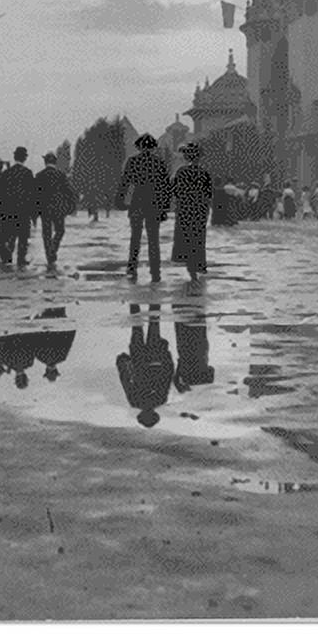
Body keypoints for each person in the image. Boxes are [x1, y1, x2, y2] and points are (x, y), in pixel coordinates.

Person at [114, 133, 171, 283]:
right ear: (153, 147)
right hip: (154, 205)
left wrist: (121, 202)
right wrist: (165, 208)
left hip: (137, 203)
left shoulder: (133, 161)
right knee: (154, 239)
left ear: (139, 147)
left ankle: (132, 266)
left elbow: (125, 183)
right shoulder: (159, 163)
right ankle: (155, 269)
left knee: (135, 237)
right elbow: (165, 188)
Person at [116, 305, 174, 427]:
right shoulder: (135, 402)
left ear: (155, 414)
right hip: (138, 360)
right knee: (136, 327)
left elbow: (168, 375)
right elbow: (125, 379)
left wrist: (167, 356)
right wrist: (122, 361)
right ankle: (134, 300)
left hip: (155, 359)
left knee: (154, 324)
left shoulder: (160, 400)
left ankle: (154, 297)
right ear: (141, 415)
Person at [169, 142, 213, 286]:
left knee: (186, 237)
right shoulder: (204, 173)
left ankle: (191, 267)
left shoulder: (182, 172)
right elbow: (209, 193)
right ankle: (198, 264)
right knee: (198, 237)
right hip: (200, 210)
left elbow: (174, 190)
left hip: (185, 209)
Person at [33, 151, 77, 269]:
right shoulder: (61, 175)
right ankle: (53, 248)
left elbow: (34, 195)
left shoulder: (39, 176)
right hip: (59, 209)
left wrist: (34, 212)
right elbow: (69, 192)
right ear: (55, 162)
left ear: (45, 162)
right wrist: (70, 207)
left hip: (44, 210)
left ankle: (49, 256)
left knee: (46, 234)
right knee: (60, 231)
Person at [0, 146, 35, 266]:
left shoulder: (7, 173)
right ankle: (21, 260)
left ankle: (7, 258)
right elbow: (32, 194)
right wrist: (33, 214)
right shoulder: (28, 173)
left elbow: (1, 193)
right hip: (24, 211)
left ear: (14, 157)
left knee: (10, 235)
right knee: (23, 237)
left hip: (9, 211)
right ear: (24, 158)